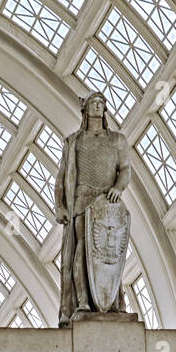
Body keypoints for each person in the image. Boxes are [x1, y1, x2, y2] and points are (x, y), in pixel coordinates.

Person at [54, 91, 132, 324]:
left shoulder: (117, 139)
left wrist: (118, 187)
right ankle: (82, 301)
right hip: (82, 198)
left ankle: (113, 301)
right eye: (93, 103)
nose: (97, 107)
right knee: (84, 248)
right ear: (85, 110)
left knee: (110, 253)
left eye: (101, 103)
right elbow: (61, 178)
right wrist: (60, 205)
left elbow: (125, 169)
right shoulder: (74, 141)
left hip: (108, 203)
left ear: (105, 109)